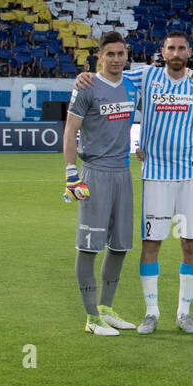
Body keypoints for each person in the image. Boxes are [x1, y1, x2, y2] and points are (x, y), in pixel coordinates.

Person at [75, 29, 193, 333]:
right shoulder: (144, 77)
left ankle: (184, 313)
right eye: (171, 48)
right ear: (162, 52)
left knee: (191, 245)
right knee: (151, 243)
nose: (176, 54)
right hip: (156, 175)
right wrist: (83, 76)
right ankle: (151, 313)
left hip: (191, 175)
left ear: (189, 52)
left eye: (181, 48)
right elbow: (108, 78)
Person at [63, 32, 136, 336]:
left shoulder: (133, 85)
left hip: (123, 172)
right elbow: (70, 131)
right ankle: (92, 318)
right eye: (110, 54)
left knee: (120, 246)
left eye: (120, 54)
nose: (116, 59)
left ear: (126, 55)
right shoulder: (87, 87)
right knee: (89, 246)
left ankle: (106, 309)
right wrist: (71, 174)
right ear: (100, 56)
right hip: (94, 172)